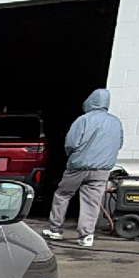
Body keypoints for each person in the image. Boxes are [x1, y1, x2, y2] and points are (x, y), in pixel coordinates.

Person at [45, 88, 124, 248]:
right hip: (102, 169)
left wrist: (72, 156)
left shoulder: (83, 120)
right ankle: (86, 236)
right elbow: (119, 144)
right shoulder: (116, 122)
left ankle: (56, 229)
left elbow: (71, 143)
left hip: (78, 166)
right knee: (92, 202)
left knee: (63, 194)